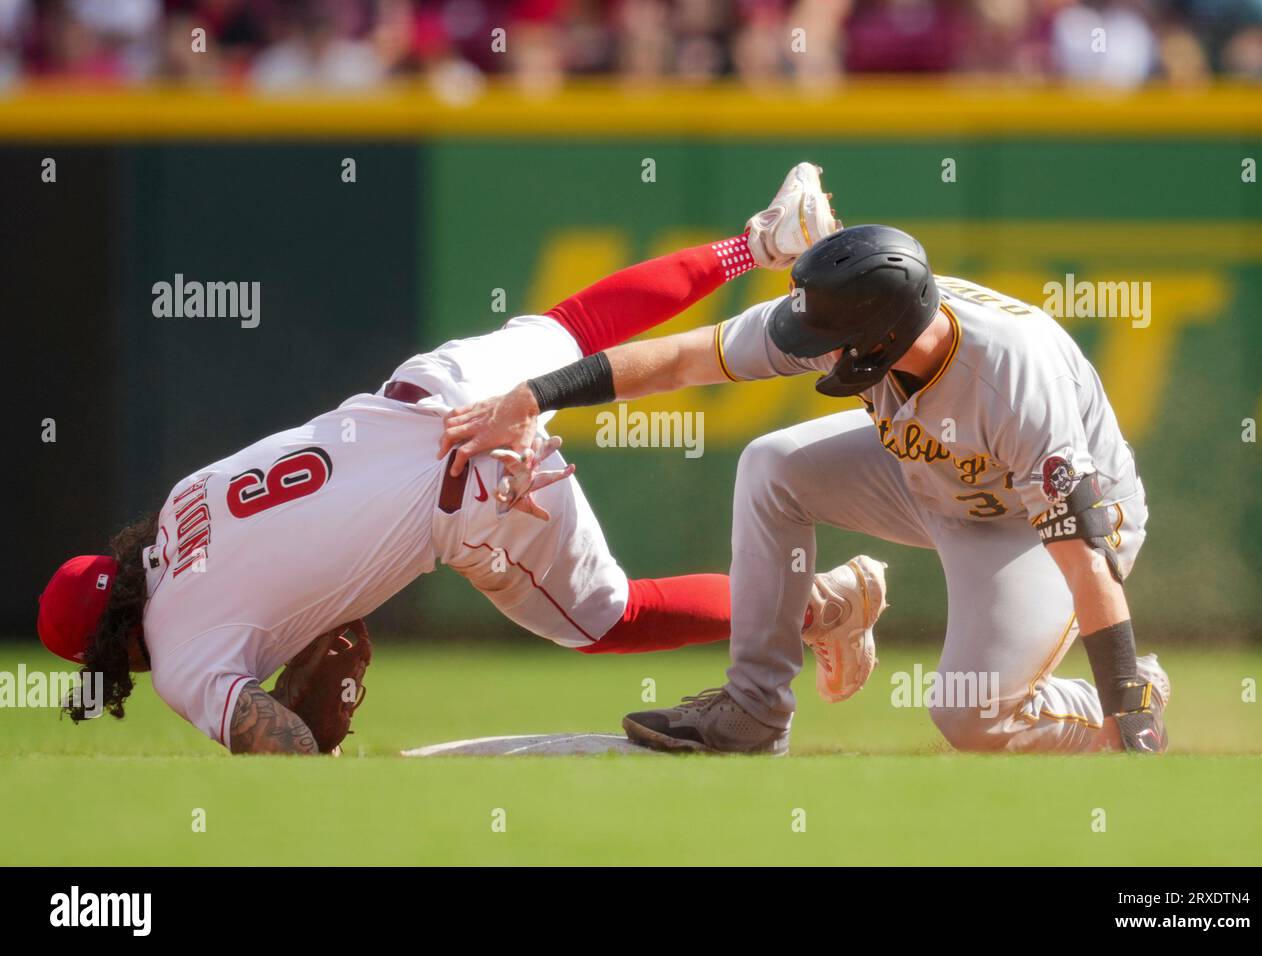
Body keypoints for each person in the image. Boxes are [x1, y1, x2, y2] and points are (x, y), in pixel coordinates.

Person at [36, 163, 873, 754]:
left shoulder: (183, 664)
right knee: (577, 330)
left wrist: (305, 744)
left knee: (608, 616)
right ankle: (760, 242)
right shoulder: (183, 502)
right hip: (431, 388)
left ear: (111, 656)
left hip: (471, 488)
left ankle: (821, 603)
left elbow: (282, 742)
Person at [439, 223, 1170, 756]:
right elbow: (681, 361)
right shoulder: (859, 311)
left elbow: (1086, 565)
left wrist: (1127, 708)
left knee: (969, 719)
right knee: (773, 466)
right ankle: (754, 710)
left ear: (882, 338)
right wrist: (536, 394)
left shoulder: (1013, 380)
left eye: (823, 334)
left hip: (1033, 528)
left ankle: (1139, 691)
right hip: (931, 476)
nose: (804, 338)